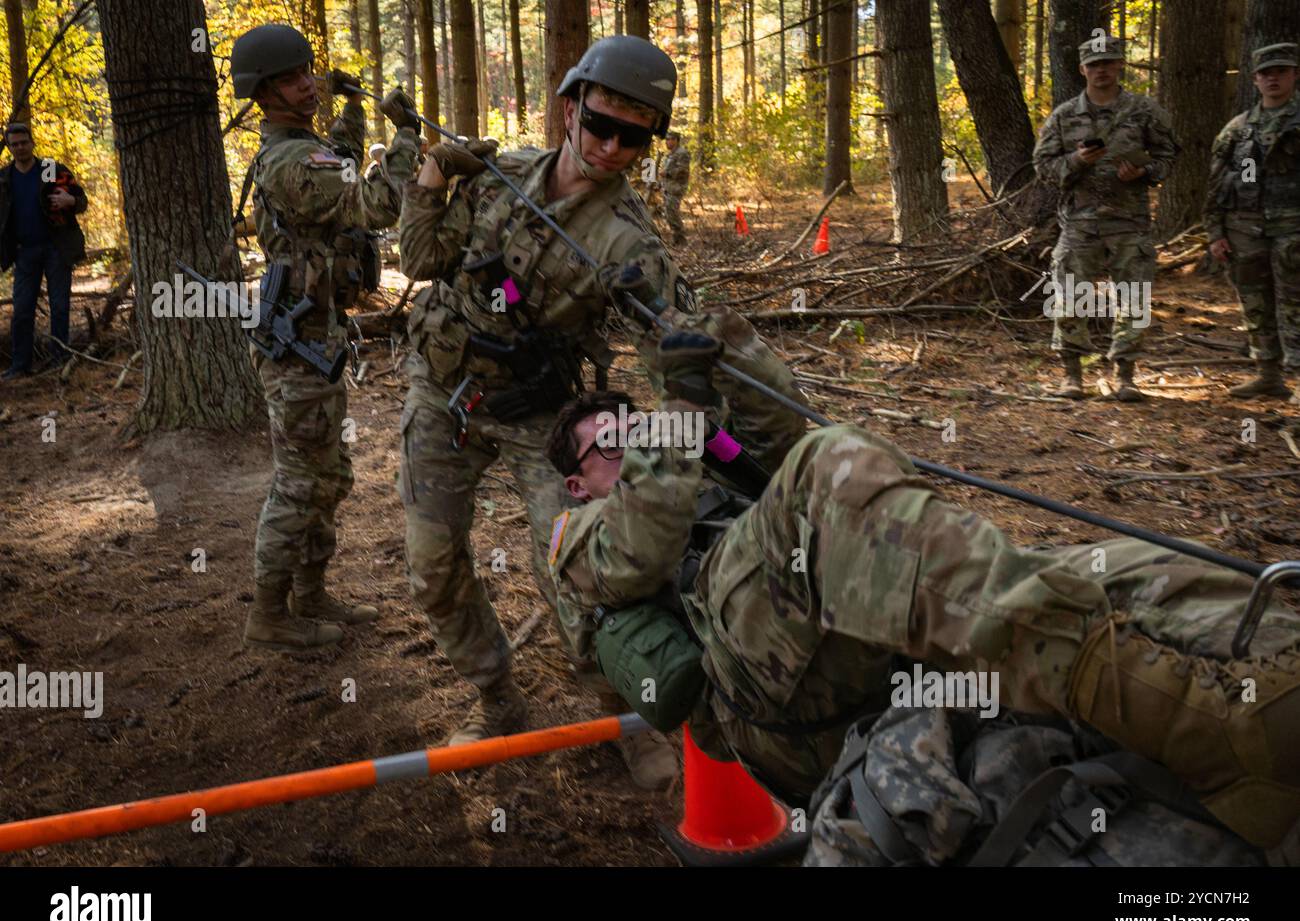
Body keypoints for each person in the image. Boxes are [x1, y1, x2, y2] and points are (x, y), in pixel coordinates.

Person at [546, 331, 1300, 851]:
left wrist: (720, 342)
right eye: (611, 441)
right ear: (577, 482)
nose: (633, 440)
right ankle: (1188, 717)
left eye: (632, 424)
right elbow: (645, 543)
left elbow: (797, 422)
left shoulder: (696, 467)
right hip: (756, 694)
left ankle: (1267, 674)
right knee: (826, 470)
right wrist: (674, 419)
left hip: (832, 633)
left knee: (1118, 570)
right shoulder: (573, 538)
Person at [395, 34, 697, 788]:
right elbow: (422, 258)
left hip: (542, 413)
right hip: (446, 392)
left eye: (636, 137)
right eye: (601, 125)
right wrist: (432, 178)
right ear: (570, 109)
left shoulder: (628, 241)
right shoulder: (501, 177)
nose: (613, 148)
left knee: (578, 569)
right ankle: (494, 694)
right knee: (433, 566)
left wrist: (690, 415)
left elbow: (671, 349)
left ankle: (618, 711)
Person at [230, 23, 418, 652]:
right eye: (291, 78)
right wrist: (407, 139)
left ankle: (309, 595)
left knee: (331, 475)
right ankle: (269, 613)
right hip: (298, 349)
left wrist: (356, 111)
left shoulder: (302, 150)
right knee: (300, 482)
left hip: (318, 338)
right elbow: (374, 204)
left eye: (308, 71)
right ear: (263, 92)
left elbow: (336, 161)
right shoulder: (287, 161)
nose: (308, 84)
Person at [1032, 35, 1179, 402]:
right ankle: (1072, 376)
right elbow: (1042, 166)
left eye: (1109, 63)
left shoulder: (1145, 111)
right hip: (1080, 222)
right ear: (1083, 70)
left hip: (1129, 221)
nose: (1102, 70)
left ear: (1120, 66)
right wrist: (1076, 162)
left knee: (1134, 299)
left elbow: (1169, 155)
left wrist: (1144, 174)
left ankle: (1126, 376)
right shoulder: (1065, 116)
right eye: (1095, 65)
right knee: (1069, 296)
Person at [1207, 43, 1300, 402]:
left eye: (1280, 71)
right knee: (1255, 303)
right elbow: (1215, 184)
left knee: (1295, 302)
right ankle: (1268, 374)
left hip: (1293, 230)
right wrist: (1215, 232)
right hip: (1246, 231)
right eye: (1266, 73)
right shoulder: (1238, 129)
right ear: (1255, 80)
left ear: (1294, 74)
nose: (1272, 78)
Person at [0, 122, 87, 380]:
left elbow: (81, 201)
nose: (20, 148)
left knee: (59, 306)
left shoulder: (48, 169)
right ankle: (20, 364)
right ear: (9, 147)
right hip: (24, 252)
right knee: (22, 309)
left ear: (32, 142)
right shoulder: (4, 178)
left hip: (55, 248)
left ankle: (59, 360)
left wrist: (70, 201)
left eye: (24, 142)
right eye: (14, 144)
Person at [657, 130, 690, 246]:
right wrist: (660, 183)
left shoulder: (682, 153)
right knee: (668, 213)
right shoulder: (670, 154)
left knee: (672, 212)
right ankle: (676, 239)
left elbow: (683, 170)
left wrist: (668, 173)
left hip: (676, 188)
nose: (667, 142)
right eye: (666, 140)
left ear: (676, 140)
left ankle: (681, 239)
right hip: (668, 188)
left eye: (669, 139)